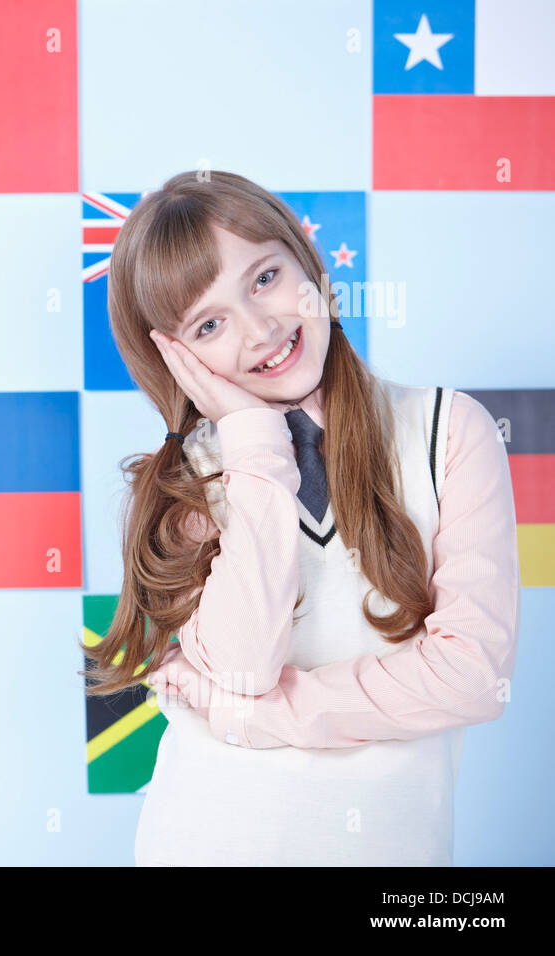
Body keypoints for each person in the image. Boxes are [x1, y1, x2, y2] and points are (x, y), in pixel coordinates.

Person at [80, 169, 521, 866]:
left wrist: (258, 719)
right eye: (210, 324)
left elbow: (470, 677)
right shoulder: (184, 483)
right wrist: (253, 444)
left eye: (264, 278)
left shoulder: (448, 431)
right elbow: (244, 666)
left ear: (307, 261)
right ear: (177, 357)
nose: (260, 330)